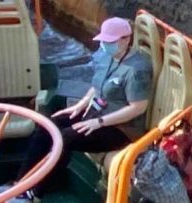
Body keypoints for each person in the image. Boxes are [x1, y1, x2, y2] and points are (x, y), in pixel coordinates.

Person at [61, 15, 152, 155]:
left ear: (126, 39)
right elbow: (98, 85)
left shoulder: (137, 69)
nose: (104, 44)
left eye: (110, 41)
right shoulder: (106, 55)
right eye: (103, 40)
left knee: (63, 138)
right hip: (96, 111)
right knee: (50, 126)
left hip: (120, 128)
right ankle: (29, 175)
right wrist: (81, 105)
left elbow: (137, 108)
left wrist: (100, 122)